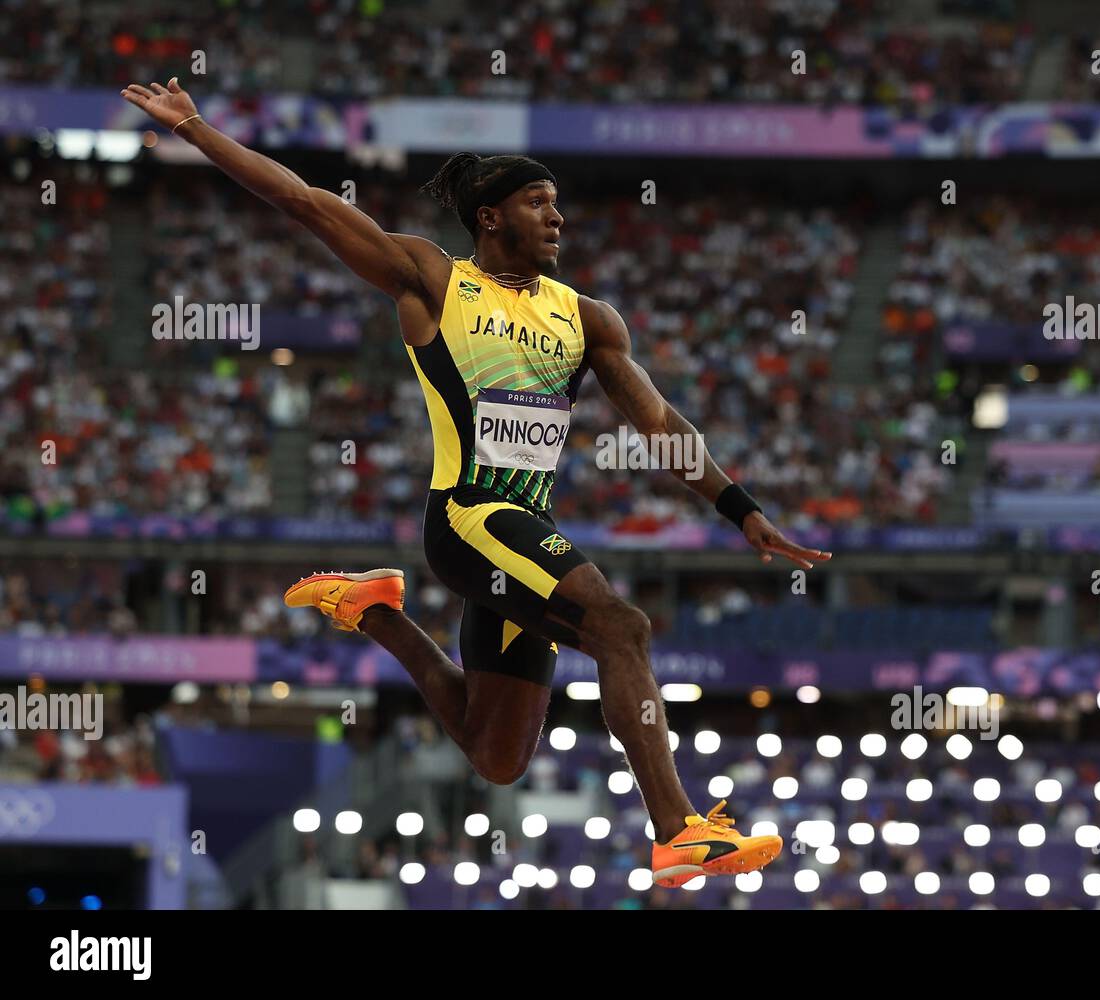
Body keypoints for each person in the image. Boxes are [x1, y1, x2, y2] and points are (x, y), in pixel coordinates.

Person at [122, 77, 831, 887]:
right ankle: (677, 829)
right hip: (469, 519)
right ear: (491, 216)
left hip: (521, 531)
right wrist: (197, 128)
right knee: (620, 627)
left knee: (495, 755)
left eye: (558, 203)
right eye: (538, 202)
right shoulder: (433, 279)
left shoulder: (588, 317)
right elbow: (307, 203)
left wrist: (741, 510)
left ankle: (376, 611)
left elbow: (659, 425)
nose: (558, 217)